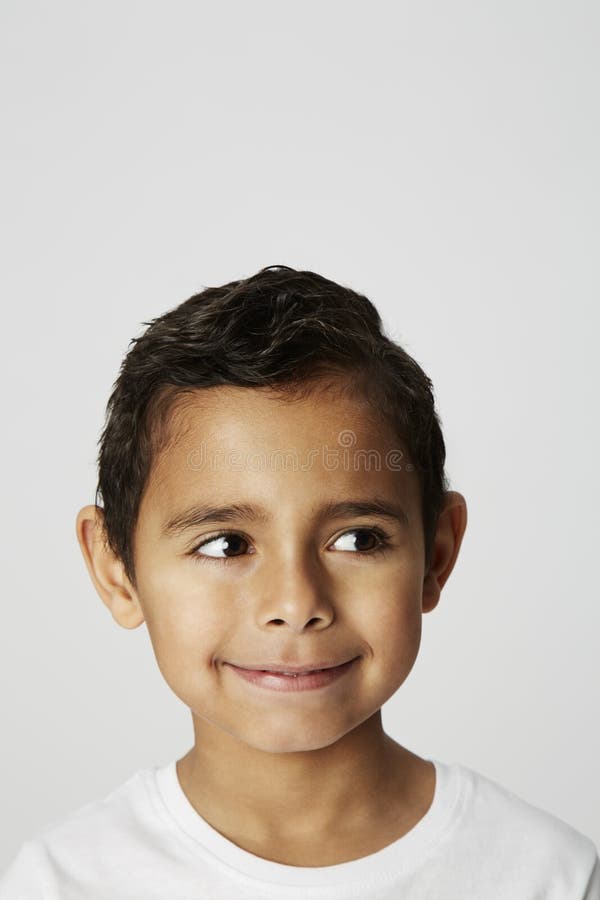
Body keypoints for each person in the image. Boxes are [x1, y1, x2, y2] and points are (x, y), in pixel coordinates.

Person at [2, 265, 598, 898]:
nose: (295, 603)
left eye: (358, 539)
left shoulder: (547, 877)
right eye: (226, 545)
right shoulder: (60, 883)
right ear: (117, 571)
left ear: (436, 555)